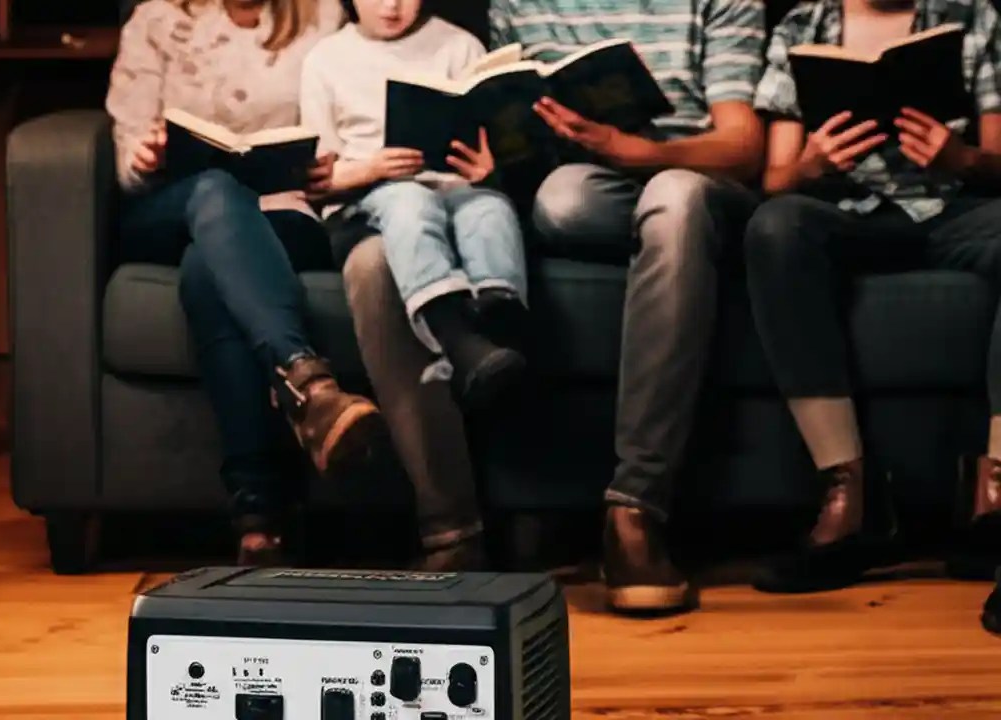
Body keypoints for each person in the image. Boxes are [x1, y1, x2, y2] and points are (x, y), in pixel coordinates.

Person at [489, 0, 768, 614]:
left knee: (672, 198)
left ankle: (635, 509)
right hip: (593, 188)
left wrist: (633, 150)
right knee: (561, 199)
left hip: (695, 178)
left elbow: (743, 146)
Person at [106, 0, 387, 567]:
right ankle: (308, 382)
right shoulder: (156, 21)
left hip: (282, 208)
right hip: (173, 206)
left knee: (207, 272)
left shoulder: (321, 16)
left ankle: (260, 515)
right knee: (214, 189)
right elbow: (128, 163)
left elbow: (341, 122)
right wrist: (145, 154)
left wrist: (328, 167)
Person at [745, 0, 1001, 592]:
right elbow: (776, 180)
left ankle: (996, 492)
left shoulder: (972, 15)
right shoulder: (802, 28)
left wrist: (959, 158)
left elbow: (995, 158)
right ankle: (846, 494)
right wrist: (813, 164)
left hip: (951, 210)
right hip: (846, 214)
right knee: (777, 226)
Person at [298, 0, 531, 569]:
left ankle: (497, 314)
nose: (394, 5)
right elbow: (316, 176)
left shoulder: (457, 46)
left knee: (488, 208)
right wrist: (372, 168)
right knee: (406, 206)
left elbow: (490, 145)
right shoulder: (327, 58)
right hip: (371, 204)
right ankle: (457, 337)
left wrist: (489, 168)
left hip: (450, 189)